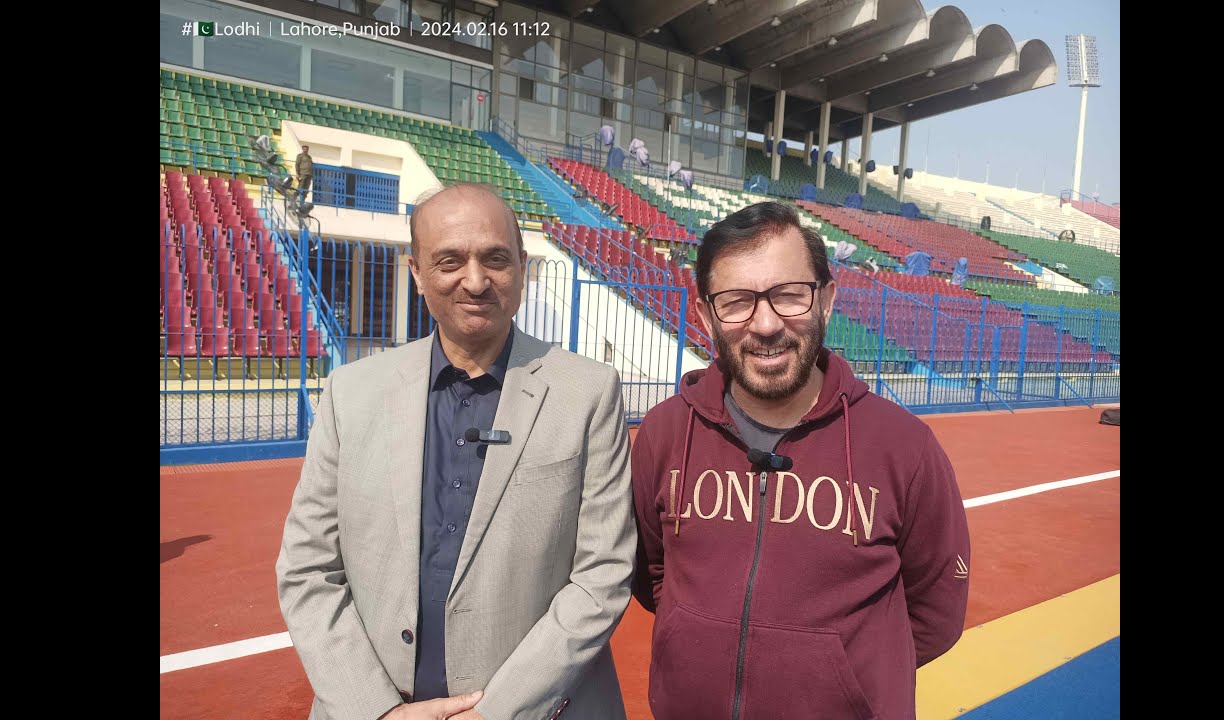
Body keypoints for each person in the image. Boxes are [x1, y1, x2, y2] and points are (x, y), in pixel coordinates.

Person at [277, 183, 636, 720]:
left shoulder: (588, 392)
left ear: (521, 266)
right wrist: (375, 710)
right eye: (450, 261)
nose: (475, 280)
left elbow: (602, 575)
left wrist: (498, 711)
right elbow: (307, 569)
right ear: (417, 272)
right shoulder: (351, 392)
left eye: (496, 258)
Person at [630, 201, 970, 720]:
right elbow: (654, 577)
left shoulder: (905, 448)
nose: (765, 324)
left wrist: (846, 682)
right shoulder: (664, 433)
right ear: (705, 314)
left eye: (789, 296)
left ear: (826, 300)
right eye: (737, 301)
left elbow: (935, 612)